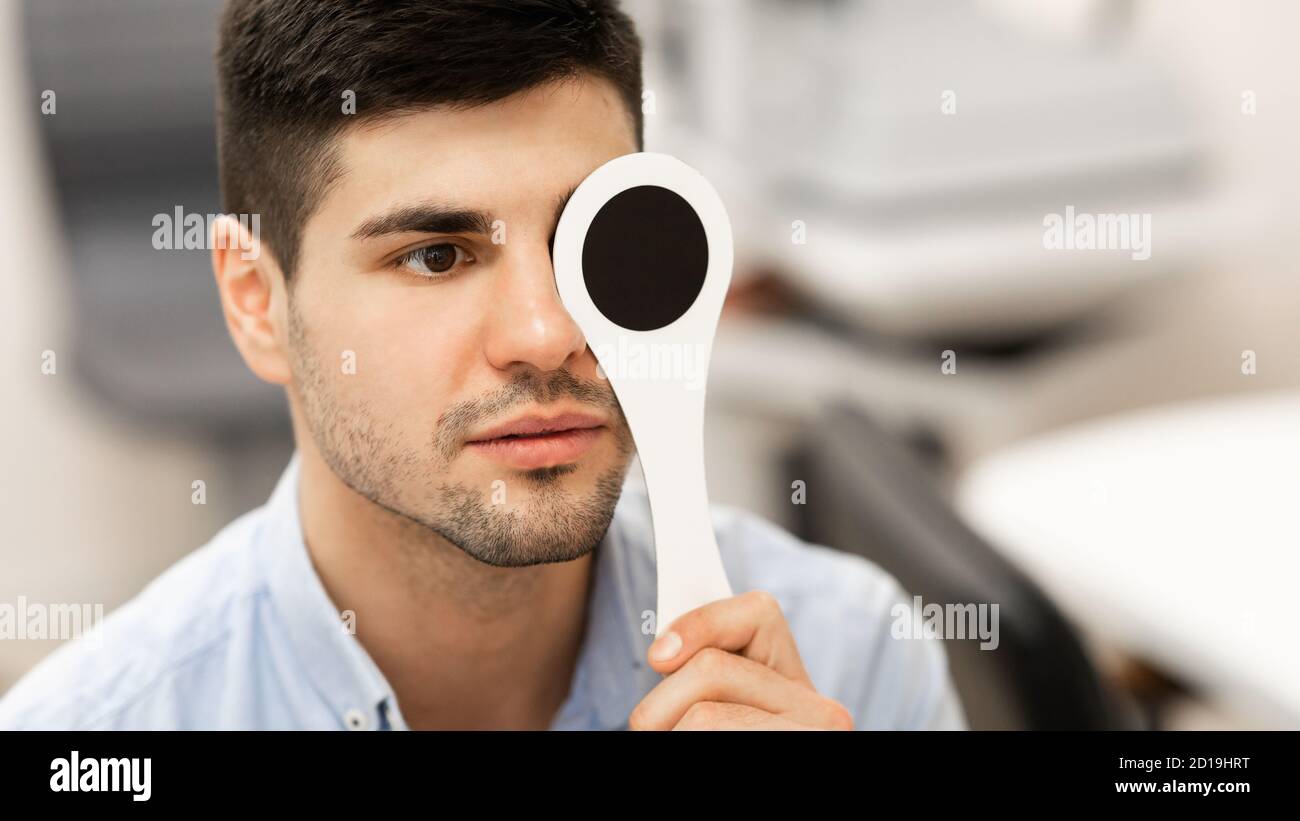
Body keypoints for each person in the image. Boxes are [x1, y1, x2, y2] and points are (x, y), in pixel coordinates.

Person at [0, 0, 965, 730]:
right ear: (258, 301)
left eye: (583, 235)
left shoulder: (853, 660)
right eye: (436, 255)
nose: (546, 334)